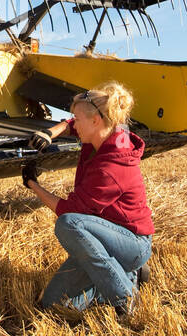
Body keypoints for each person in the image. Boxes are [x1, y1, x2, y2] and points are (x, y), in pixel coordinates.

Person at [22, 81, 154, 317]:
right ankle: (129, 274)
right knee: (52, 308)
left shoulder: (112, 165)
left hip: (131, 242)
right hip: (105, 234)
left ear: (95, 121)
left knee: (69, 224)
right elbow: (74, 123)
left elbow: (69, 210)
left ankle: (125, 297)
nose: (75, 124)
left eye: (79, 119)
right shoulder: (110, 132)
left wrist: (34, 185)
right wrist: (51, 132)